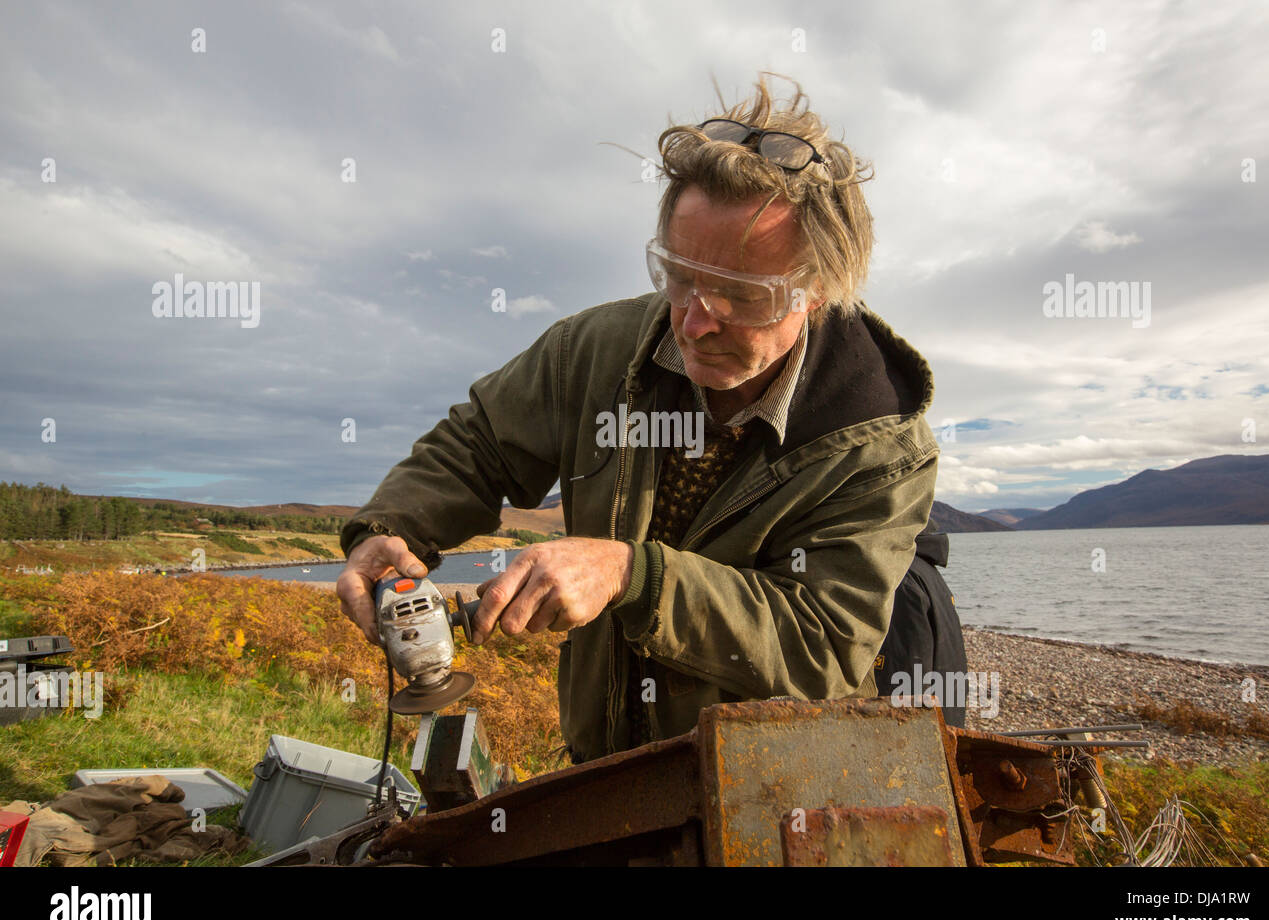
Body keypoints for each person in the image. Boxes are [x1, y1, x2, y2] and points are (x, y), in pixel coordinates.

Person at [336, 74, 940, 763]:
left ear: (821, 289)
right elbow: (479, 443)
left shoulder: (880, 446)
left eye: (741, 295)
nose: (694, 321)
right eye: (678, 274)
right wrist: (392, 527)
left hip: (773, 780)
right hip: (606, 763)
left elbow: (821, 643)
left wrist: (633, 575)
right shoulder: (593, 350)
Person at [875, 519, 969, 728]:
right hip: (944, 717)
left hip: (920, 730)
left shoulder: (901, 577)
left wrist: (895, 729)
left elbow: (901, 668)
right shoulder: (925, 571)